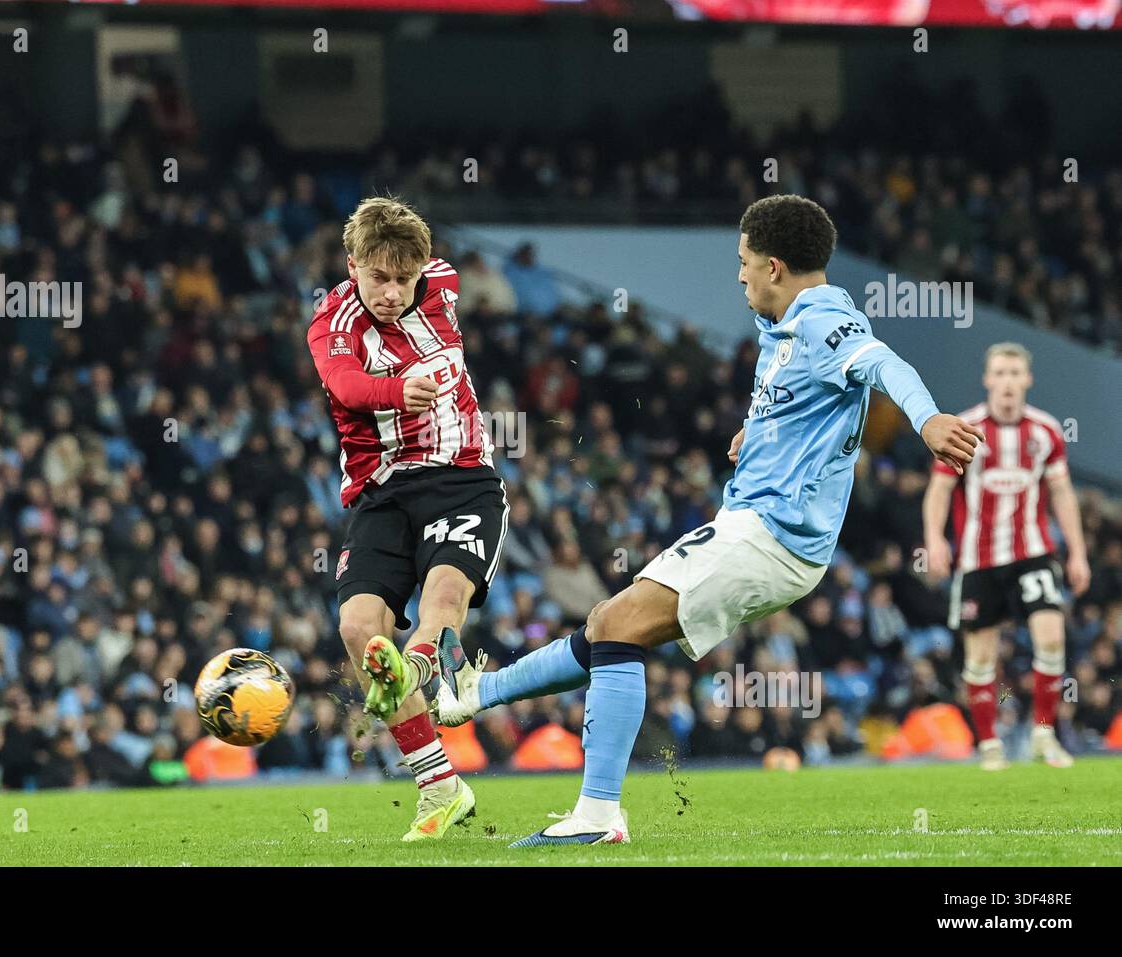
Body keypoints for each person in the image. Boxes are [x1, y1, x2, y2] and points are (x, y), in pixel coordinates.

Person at [431, 194, 983, 846]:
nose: (740, 275)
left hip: (774, 534)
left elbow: (882, 362)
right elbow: (809, 396)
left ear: (775, 265)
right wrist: (760, 429)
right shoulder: (782, 324)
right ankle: (474, 694)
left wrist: (929, 420)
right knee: (609, 626)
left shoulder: (825, 318)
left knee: (616, 624)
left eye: (745, 263)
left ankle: (598, 814)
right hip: (755, 523)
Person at [306, 196, 509, 841]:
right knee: (359, 627)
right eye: (378, 278)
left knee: (444, 594)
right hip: (382, 495)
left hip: (461, 481)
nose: (392, 293)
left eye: (404, 278)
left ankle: (422, 662)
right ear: (353, 266)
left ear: (424, 268)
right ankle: (440, 785)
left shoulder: (444, 281)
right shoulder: (330, 325)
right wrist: (400, 391)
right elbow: (347, 388)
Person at [922, 342, 1090, 770]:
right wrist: (934, 539)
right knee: (980, 657)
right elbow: (940, 489)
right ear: (988, 379)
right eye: (1000, 373)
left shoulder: (1046, 431)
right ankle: (990, 744)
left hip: (1033, 552)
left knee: (1051, 637)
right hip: (979, 559)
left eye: (1016, 373)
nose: (1008, 382)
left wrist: (1078, 553)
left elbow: (1061, 493)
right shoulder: (966, 427)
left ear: (1028, 380)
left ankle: (1044, 734)